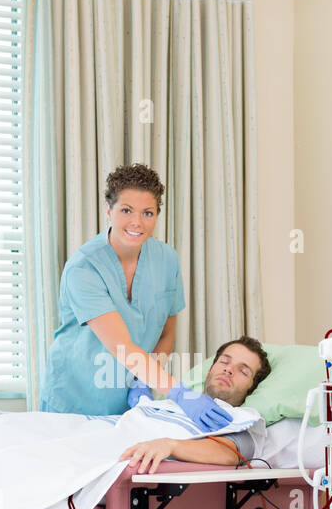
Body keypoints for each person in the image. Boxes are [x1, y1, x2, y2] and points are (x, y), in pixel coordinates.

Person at [36, 163, 230, 431]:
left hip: (128, 406)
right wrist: (180, 394)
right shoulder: (84, 267)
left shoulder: (166, 260)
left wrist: (143, 382)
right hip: (72, 402)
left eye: (147, 213)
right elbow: (122, 347)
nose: (137, 222)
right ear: (109, 211)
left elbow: (166, 334)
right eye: (126, 210)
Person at [0, 336, 273, 474]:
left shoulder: (240, 416)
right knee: (58, 424)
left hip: (121, 448)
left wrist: (170, 444)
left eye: (243, 370)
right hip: (107, 427)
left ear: (252, 386)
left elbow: (232, 452)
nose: (229, 368)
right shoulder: (176, 403)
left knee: (34, 451)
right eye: (224, 361)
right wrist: (143, 400)